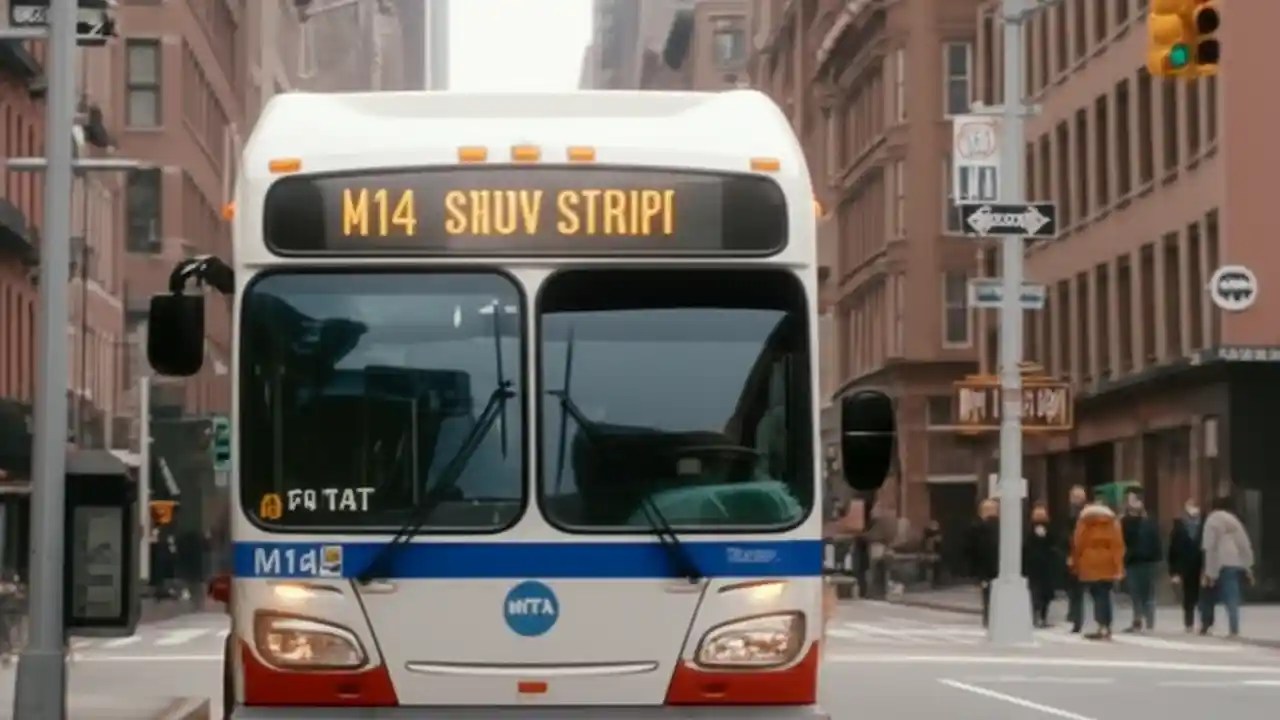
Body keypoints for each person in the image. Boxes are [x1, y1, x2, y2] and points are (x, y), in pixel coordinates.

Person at [1070, 493, 1125, 640]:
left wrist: (1076, 563)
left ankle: (1101, 625)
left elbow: (1078, 542)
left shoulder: (1084, 520)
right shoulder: (1112, 521)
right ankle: (1106, 626)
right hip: (1107, 562)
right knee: (1105, 594)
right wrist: (1118, 566)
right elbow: (1117, 544)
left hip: (1089, 561)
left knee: (1096, 595)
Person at [1201, 496, 1255, 638]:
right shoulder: (1234, 521)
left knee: (1207, 594)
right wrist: (1248, 565)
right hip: (1236, 562)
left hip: (1221, 562)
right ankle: (1234, 628)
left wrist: (1209, 572)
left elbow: (1210, 547)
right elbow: (1244, 544)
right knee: (1233, 596)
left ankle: (1206, 624)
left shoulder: (1212, 521)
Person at [1120, 489, 1161, 632]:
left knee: (1148, 593)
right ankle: (1137, 620)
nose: (1133, 503)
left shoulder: (1149, 521)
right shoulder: (1124, 522)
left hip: (1147, 561)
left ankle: (1149, 623)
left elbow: (1156, 541)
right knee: (1135, 593)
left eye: (1135, 500)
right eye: (1130, 500)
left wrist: (1157, 560)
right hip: (1132, 561)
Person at [1168, 498, 1206, 633]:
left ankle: (1204, 623)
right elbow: (1173, 551)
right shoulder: (1179, 527)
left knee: (1203, 596)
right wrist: (1174, 572)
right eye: (1191, 507)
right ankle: (1189, 623)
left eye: (1195, 507)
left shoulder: (1205, 524)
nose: (1194, 510)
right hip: (1185, 566)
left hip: (1202, 565)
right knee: (1188, 596)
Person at [1023, 502, 1059, 628]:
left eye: (1041, 514)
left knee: (1046, 594)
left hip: (1047, 565)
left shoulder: (1050, 528)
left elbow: (1054, 543)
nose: (1039, 517)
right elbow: (1026, 545)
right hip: (1033, 565)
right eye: (1037, 514)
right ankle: (1036, 615)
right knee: (1035, 592)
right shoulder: (1028, 528)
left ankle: (1043, 617)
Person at [966, 498, 1000, 627]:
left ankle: (989, 619)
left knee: (988, 596)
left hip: (986, 570)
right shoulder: (1006, 528)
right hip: (1003, 570)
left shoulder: (977, 528)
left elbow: (974, 551)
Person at [1063, 484, 1089, 633]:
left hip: (1081, 555)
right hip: (1071, 554)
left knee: (1078, 590)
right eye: (1073, 497)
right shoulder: (1069, 514)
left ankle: (1076, 619)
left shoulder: (1085, 514)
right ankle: (1074, 616)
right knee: (1072, 589)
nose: (1075, 500)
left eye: (1078, 497)